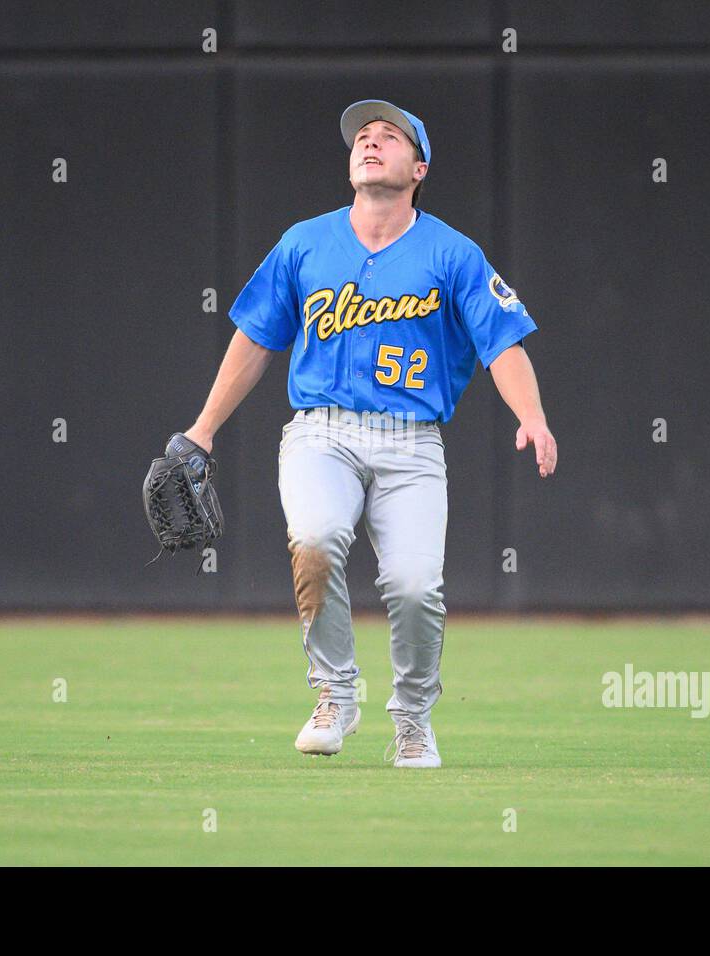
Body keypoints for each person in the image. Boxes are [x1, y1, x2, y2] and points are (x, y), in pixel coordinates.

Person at [183, 99, 557, 768]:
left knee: (415, 586)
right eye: (363, 136)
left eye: (391, 136)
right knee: (317, 539)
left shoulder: (451, 252)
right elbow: (255, 338)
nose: (371, 141)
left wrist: (531, 415)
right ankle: (334, 693)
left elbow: (503, 342)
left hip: (412, 442)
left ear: (420, 166)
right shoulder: (304, 242)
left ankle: (412, 718)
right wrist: (203, 429)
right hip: (320, 433)